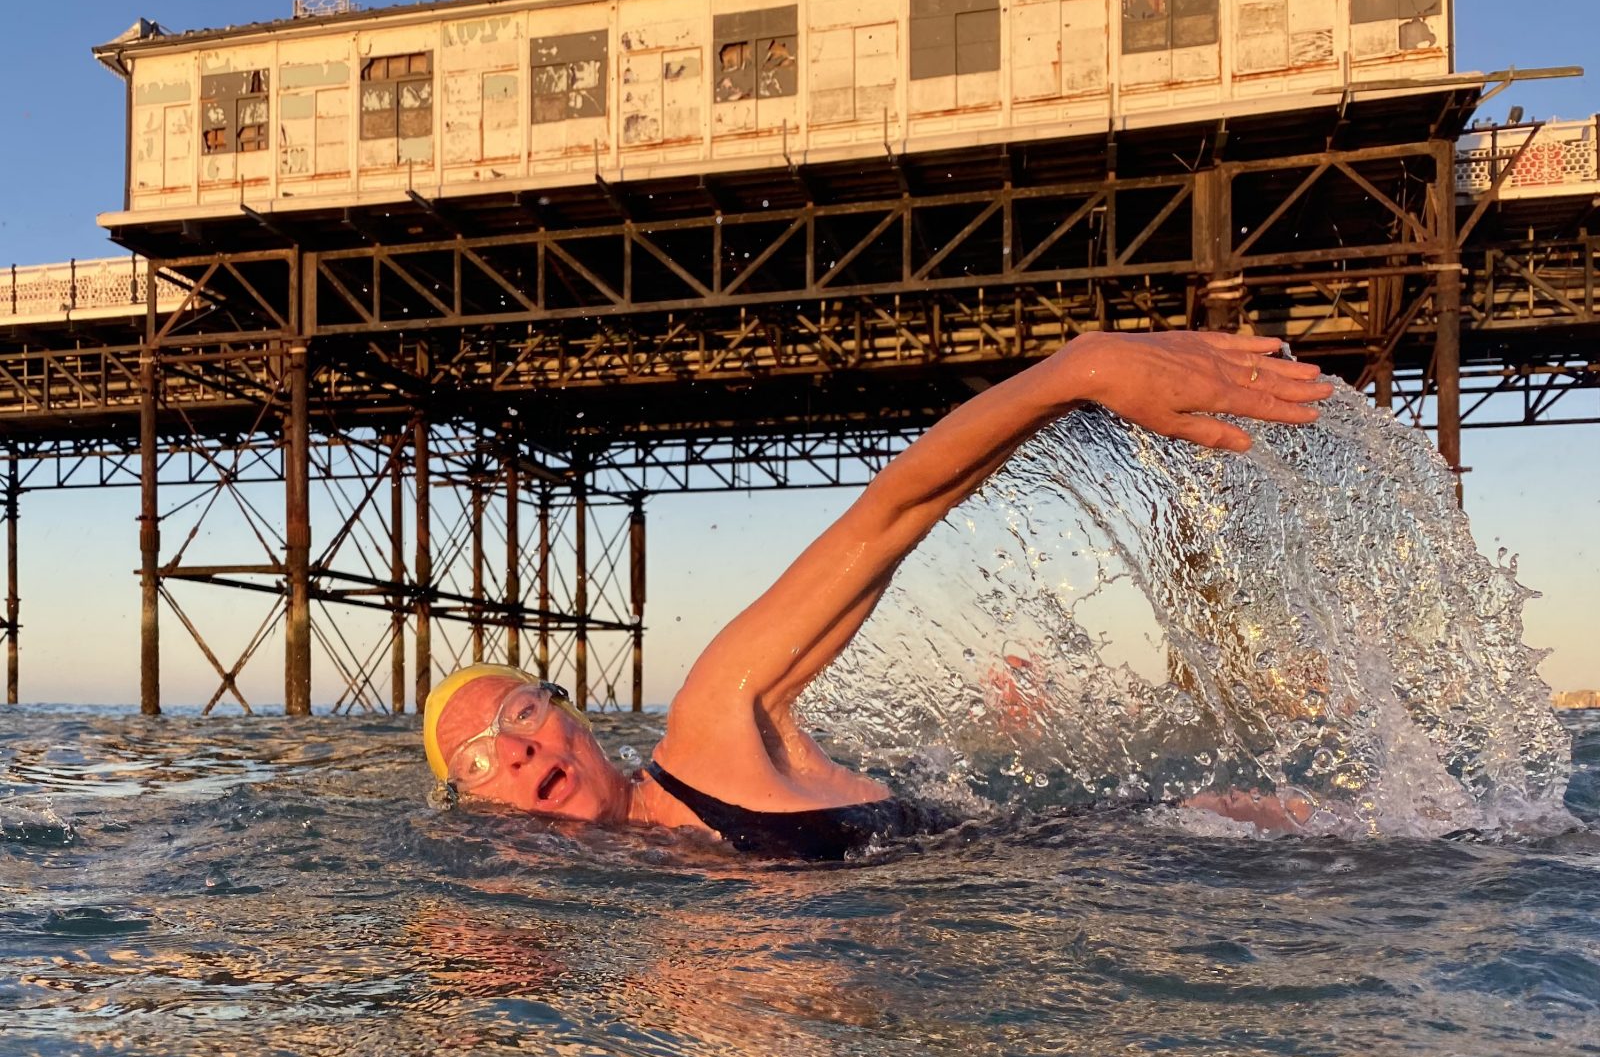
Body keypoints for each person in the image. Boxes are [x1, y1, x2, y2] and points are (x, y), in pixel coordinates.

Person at [422, 330, 1334, 858]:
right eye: (475, 762)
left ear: (573, 718)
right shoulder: (614, 917)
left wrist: (1079, 373)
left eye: (519, 713)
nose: (511, 752)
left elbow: (892, 513)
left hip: (1169, 854)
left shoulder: (713, 726)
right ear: (478, 813)